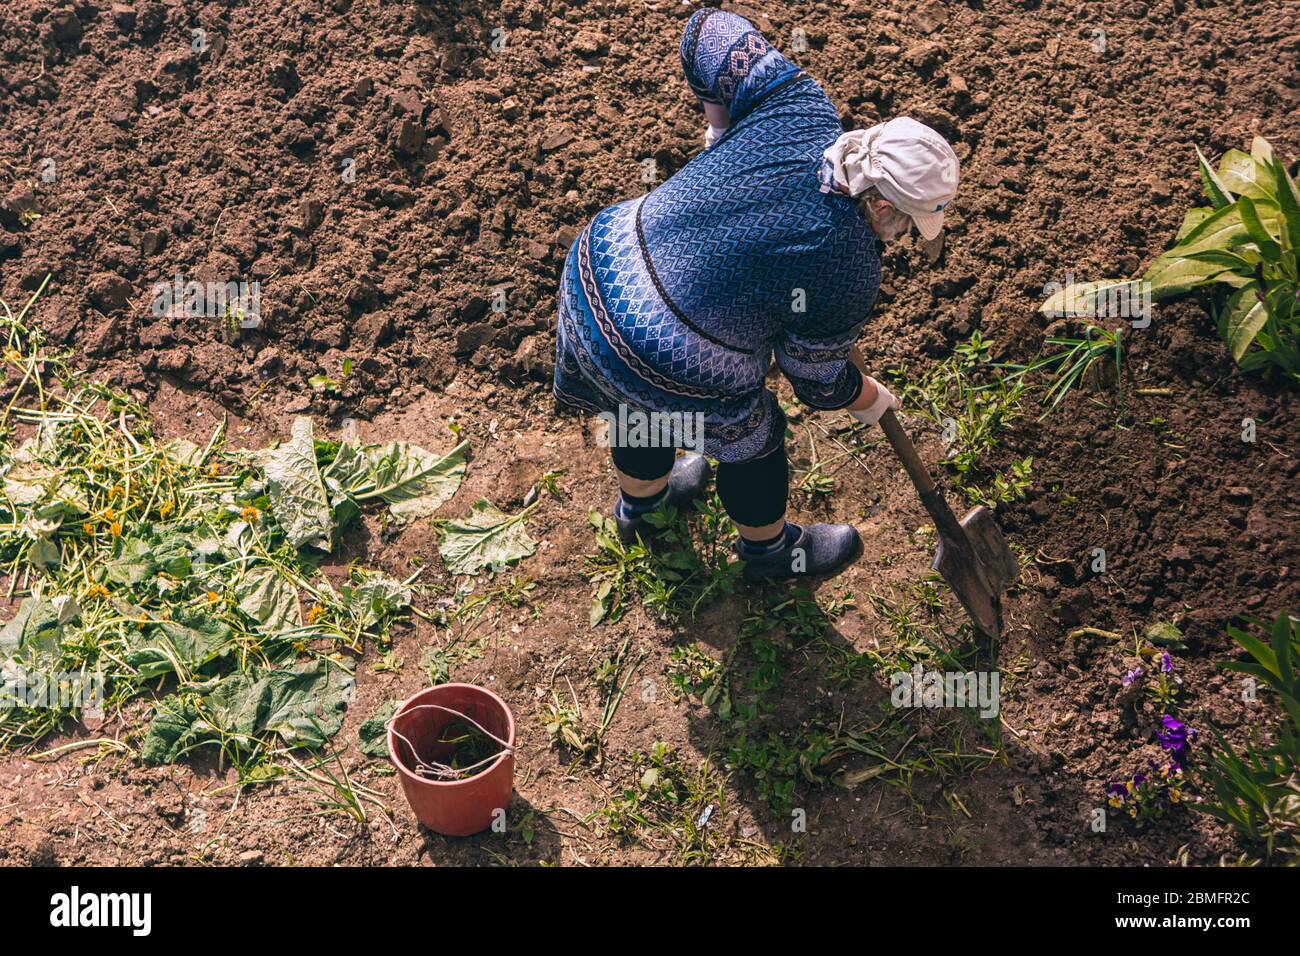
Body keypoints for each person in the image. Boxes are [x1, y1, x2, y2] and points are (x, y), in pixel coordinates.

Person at [553, 7, 959, 580]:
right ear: (885, 205)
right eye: (906, 224)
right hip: (663, 345)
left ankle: (642, 511)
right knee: (756, 433)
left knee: (634, 403)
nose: (901, 238)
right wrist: (866, 397)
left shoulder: (802, 106)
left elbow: (707, 31)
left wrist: (719, 127)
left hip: (600, 266)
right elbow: (813, 379)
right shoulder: (847, 267)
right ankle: (770, 553)